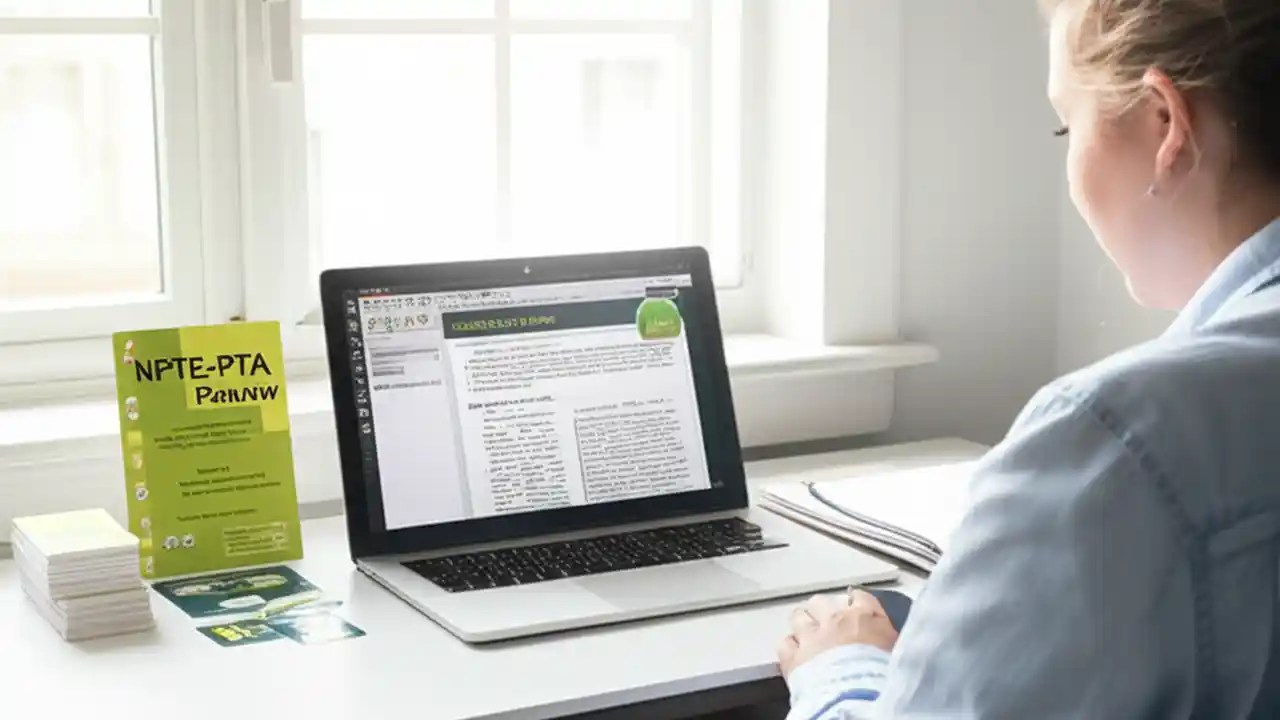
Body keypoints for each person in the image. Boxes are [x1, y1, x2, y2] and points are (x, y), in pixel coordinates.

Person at [778, 0, 1280, 717]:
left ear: (1165, 124)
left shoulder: (1115, 438)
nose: (1069, 159)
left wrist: (841, 670)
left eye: (1066, 124)